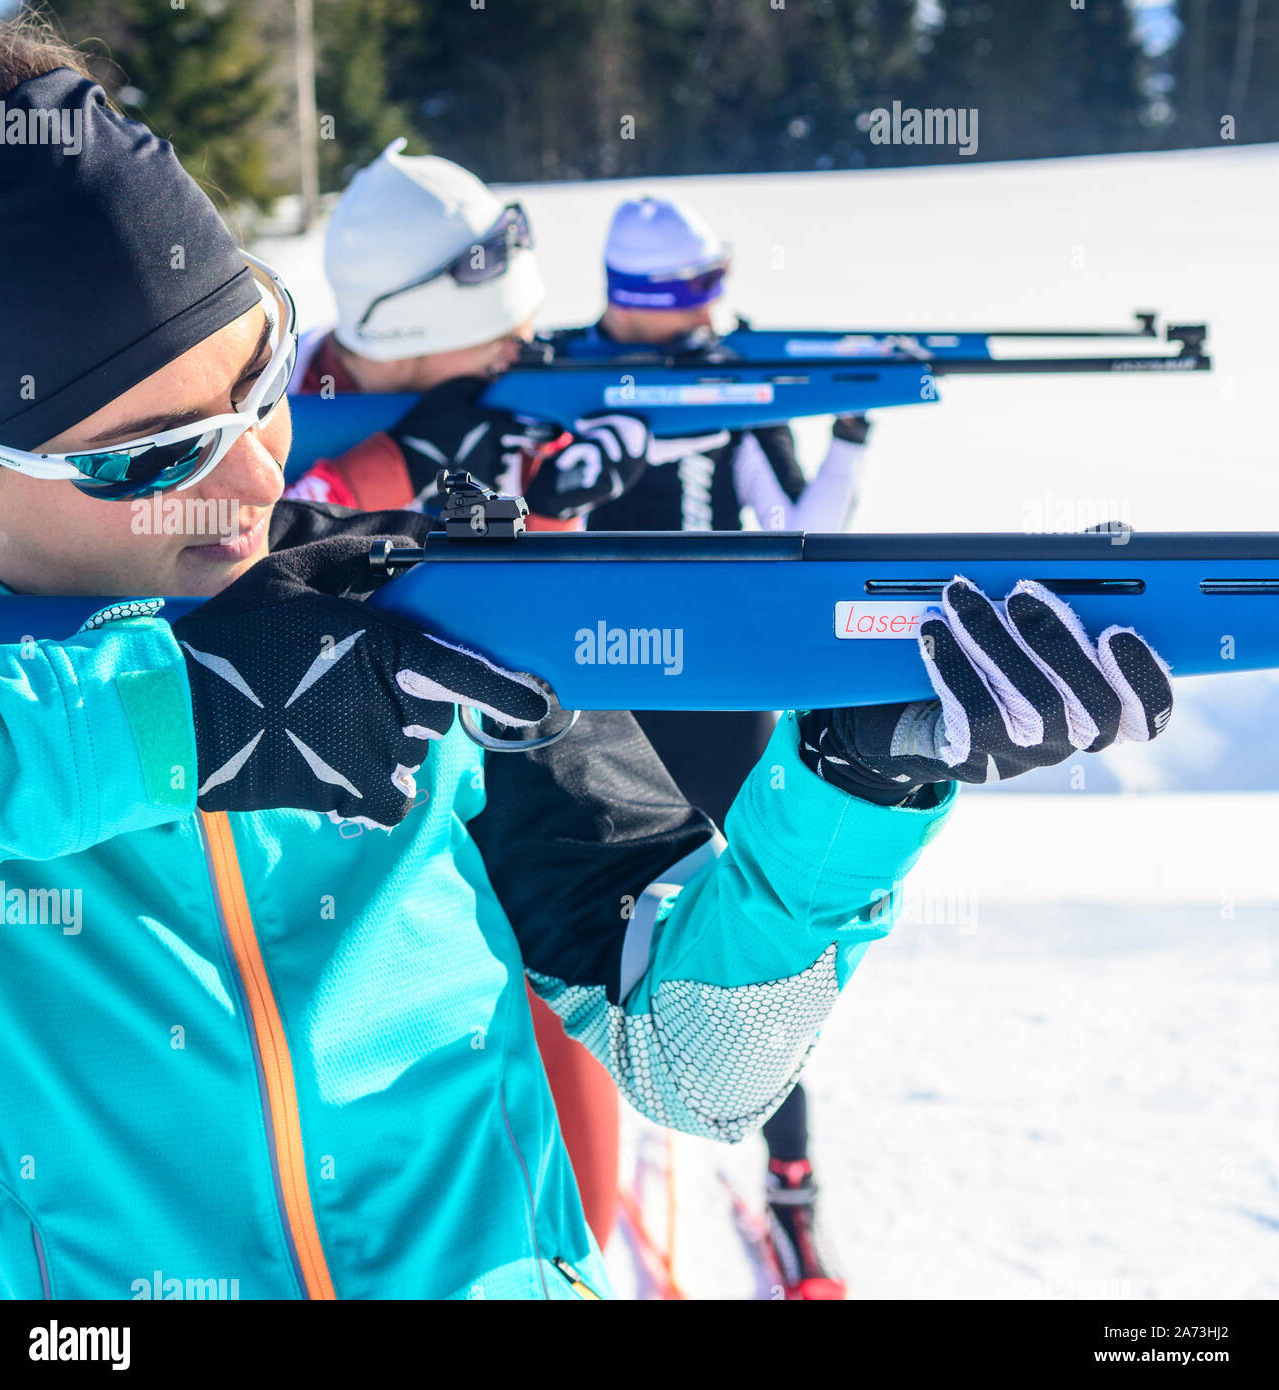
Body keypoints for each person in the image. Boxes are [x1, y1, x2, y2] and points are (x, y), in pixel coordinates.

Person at [0, 23, 1175, 1302]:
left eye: (263, 379)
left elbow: (702, 1068)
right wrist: (194, 712)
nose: (259, 474)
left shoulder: (419, 625)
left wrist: (847, 795)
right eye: (149, 454)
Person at [283, 144, 643, 1248]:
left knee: (576, 1181)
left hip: (517, 813)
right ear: (409, 345)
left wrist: (559, 504)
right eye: (496, 353)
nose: (527, 355)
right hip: (346, 889)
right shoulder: (282, 417)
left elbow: (523, 622)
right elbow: (274, 551)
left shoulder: (485, 395)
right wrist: (415, 465)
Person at [545, 194, 878, 1297]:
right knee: (557, 940)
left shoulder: (735, 383)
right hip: (593, 697)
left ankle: (793, 1190)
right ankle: (559, 1172)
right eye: (688, 291)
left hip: (718, 694)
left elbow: (805, 538)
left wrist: (854, 425)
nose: (702, 311)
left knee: (757, 949)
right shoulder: (548, 381)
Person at [284, 141, 647, 538]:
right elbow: (236, 575)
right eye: (498, 348)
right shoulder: (261, 404)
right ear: (397, 352)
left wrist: (549, 515)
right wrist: (393, 470)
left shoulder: (512, 420)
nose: (522, 360)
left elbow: (516, 595)